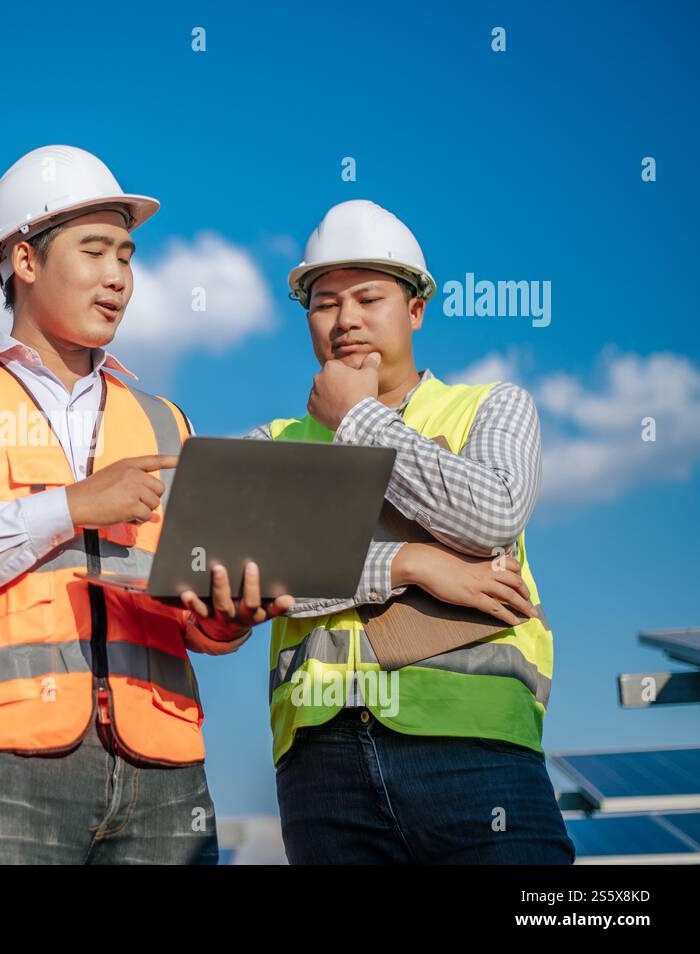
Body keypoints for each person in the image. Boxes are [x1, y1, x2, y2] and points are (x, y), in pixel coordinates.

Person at [0, 145, 293, 864]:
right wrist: (68, 507)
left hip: (164, 775)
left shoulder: (165, 422)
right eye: (94, 252)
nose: (118, 277)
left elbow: (185, 612)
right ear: (24, 261)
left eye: (126, 255)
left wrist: (224, 622)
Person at [246, 199, 575, 864]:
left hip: (475, 748)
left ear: (415, 310)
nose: (346, 320)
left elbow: (490, 517)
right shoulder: (275, 444)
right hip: (321, 769)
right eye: (324, 302)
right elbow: (250, 570)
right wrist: (412, 563)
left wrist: (359, 420)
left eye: (368, 297)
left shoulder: (493, 407)